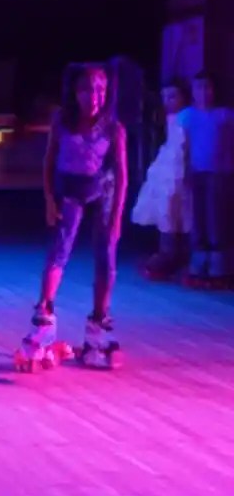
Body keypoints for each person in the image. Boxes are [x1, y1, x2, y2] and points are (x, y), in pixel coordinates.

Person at [17, 63, 127, 371]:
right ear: (75, 93)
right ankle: (44, 315)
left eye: (100, 90)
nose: (94, 96)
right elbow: (49, 160)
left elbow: (122, 175)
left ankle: (99, 325)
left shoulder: (113, 128)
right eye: (88, 89)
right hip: (69, 188)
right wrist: (49, 199)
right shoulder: (62, 122)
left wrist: (117, 216)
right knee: (59, 249)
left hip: (102, 190)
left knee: (106, 255)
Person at [179, 71, 234, 288]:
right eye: (199, 87)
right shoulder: (187, 116)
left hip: (218, 173)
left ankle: (219, 266)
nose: (203, 92)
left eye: (207, 87)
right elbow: (181, 148)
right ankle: (198, 263)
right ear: (192, 91)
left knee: (215, 218)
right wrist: (182, 172)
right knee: (198, 216)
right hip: (195, 172)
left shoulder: (224, 115)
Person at [131, 81, 191, 280]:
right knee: (166, 209)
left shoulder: (187, 117)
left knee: (179, 211)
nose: (168, 101)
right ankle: (166, 255)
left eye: (173, 96)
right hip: (166, 166)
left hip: (180, 166)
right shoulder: (167, 117)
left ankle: (177, 257)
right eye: (165, 97)